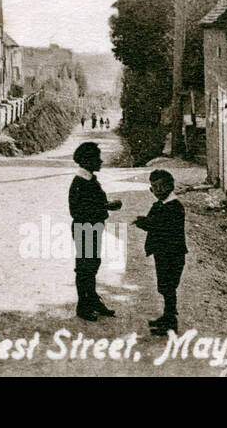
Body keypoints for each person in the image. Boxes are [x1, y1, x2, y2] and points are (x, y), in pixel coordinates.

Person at [68, 141, 122, 321]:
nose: (101, 162)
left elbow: (92, 204)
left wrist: (105, 205)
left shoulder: (89, 179)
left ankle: (92, 299)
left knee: (92, 265)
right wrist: (104, 206)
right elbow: (76, 211)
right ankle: (83, 306)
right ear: (87, 160)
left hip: (92, 228)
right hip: (85, 228)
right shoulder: (79, 182)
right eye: (97, 158)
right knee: (85, 267)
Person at [134, 169, 187, 335]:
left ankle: (171, 321)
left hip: (173, 254)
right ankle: (167, 316)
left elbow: (159, 226)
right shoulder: (160, 205)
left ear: (170, 187)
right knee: (164, 286)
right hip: (162, 253)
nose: (157, 191)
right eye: (154, 187)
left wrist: (143, 222)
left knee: (168, 286)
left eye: (161, 187)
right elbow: (152, 221)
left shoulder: (175, 207)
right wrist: (144, 221)